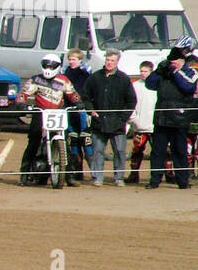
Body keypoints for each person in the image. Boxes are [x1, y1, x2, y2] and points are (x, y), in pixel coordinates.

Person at [16, 53, 82, 185]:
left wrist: (79, 102)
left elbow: (73, 94)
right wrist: (21, 103)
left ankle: (68, 176)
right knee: (33, 142)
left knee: (66, 142)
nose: (49, 69)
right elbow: (23, 94)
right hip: (40, 113)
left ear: (57, 67)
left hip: (57, 113)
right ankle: (24, 174)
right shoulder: (35, 80)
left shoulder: (64, 80)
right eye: (46, 66)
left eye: (52, 67)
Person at [143, 46, 198, 190]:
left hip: (179, 118)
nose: (170, 64)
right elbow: (149, 84)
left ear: (181, 61)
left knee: (179, 151)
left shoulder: (190, 72)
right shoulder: (164, 73)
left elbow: (188, 87)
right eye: (170, 62)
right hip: (162, 118)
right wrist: (157, 71)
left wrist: (176, 72)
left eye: (173, 62)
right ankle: (154, 181)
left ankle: (182, 181)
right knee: (157, 152)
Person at [81, 50, 137, 186]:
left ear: (117, 62)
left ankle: (119, 177)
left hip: (117, 123)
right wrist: (91, 110)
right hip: (99, 122)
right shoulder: (95, 77)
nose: (109, 63)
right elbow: (86, 96)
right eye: (107, 60)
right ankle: (97, 177)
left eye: (112, 60)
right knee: (98, 150)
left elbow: (131, 101)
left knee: (119, 150)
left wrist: (123, 117)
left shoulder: (123, 79)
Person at [63, 49, 91, 185]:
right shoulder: (64, 75)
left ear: (80, 60)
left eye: (74, 59)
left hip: (81, 111)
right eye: (70, 59)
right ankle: (76, 171)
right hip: (68, 110)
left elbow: (88, 92)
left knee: (86, 140)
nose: (71, 61)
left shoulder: (85, 75)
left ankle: (94, 173)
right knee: (72, 140)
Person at [126, 60, 156, 184]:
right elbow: (130, 103)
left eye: (146, 71)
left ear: (151, 72)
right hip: (139, 125)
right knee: (137, 151)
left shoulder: (157, 86)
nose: (143, 74)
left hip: (154, 125)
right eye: (141, 71)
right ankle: (134, 174)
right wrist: (133, 120)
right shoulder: (135, 86)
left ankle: (167, 174)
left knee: (161, 152)